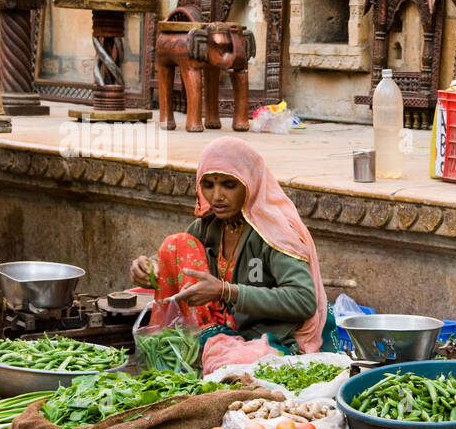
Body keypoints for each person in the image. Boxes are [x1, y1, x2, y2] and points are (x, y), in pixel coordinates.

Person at [129, 138, 327, 368]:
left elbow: (303, 301)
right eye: (208, 185)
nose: (216, 196)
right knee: (176, 243)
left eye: (229, 185)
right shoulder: (209, 225)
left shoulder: (275, 233)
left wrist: (226, 292)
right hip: (215, 330)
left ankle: (207, 349)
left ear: (250, 184)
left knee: (234, 364)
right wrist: (149, 268)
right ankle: (204, 343)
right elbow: (173, 259)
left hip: (261, 337)